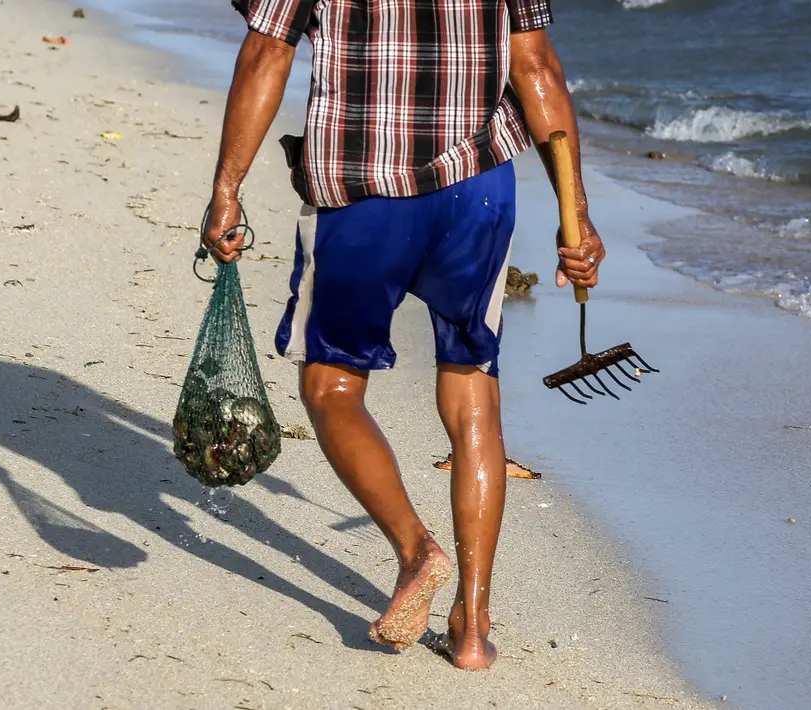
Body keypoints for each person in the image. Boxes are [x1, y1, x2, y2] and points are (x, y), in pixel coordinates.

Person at [204, 0, 604, 670]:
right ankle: (473, 630)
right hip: (478, 189)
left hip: (363, 191)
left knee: (330, 384)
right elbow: (536, 65)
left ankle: (417, 550)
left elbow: (267, 49)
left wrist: (226, 188)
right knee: (472, 391)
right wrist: (577, 217)